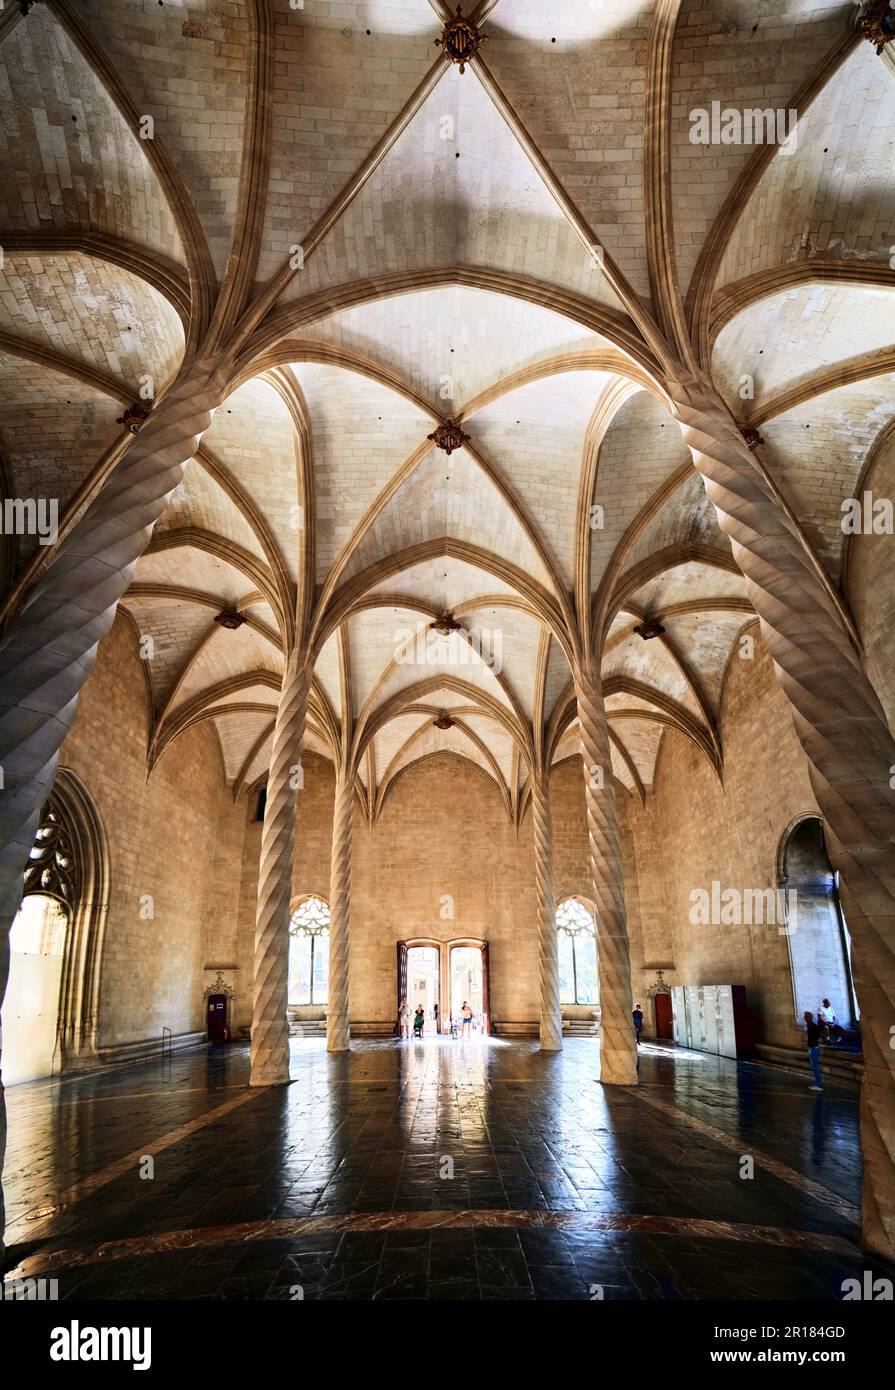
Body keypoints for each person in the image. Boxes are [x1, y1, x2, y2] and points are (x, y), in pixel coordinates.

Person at [804, 1010, 824, 1091]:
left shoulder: (812, 1026)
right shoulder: (811, 1025)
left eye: (806, 1017)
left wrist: (811, 1045)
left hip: (813, 1048)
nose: (804, 1018)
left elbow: (816, 1036)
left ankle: (818, 1085)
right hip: (814, 1047)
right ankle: (818, 1083)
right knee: (815, 1067)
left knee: (815, 1067)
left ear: (809, 1018)